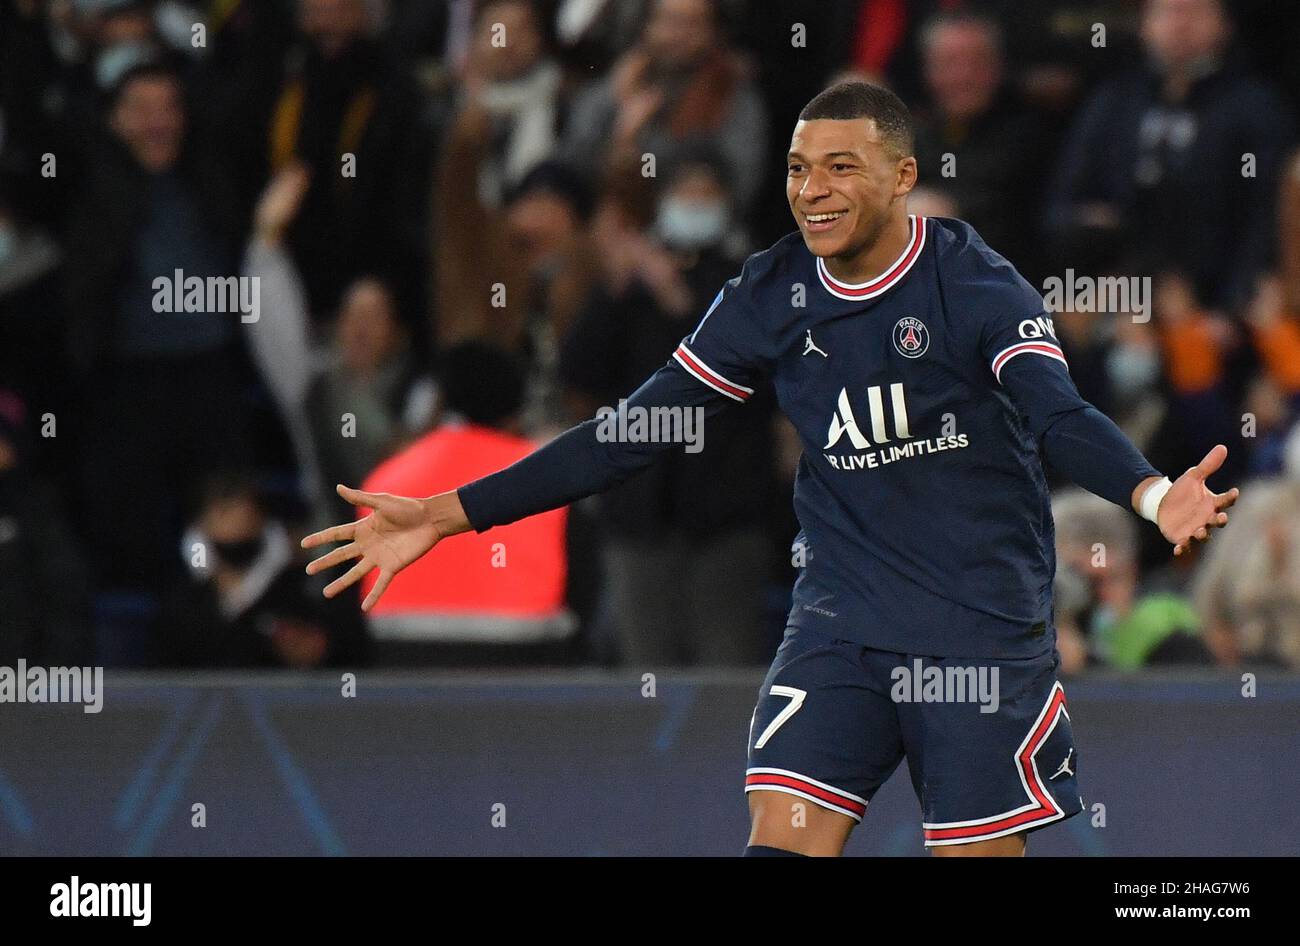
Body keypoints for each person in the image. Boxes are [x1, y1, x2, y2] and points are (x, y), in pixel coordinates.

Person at [302, 82, 1239, 857]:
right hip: (840, 623)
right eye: (798, 168)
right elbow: (633, 432)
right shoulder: (768, 295)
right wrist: (448, 513)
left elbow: (1058, 416)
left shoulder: (975, 284)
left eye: (842, 167)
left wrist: (1152, 494)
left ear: (904, 177)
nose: (813, 188)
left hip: (978, 631)